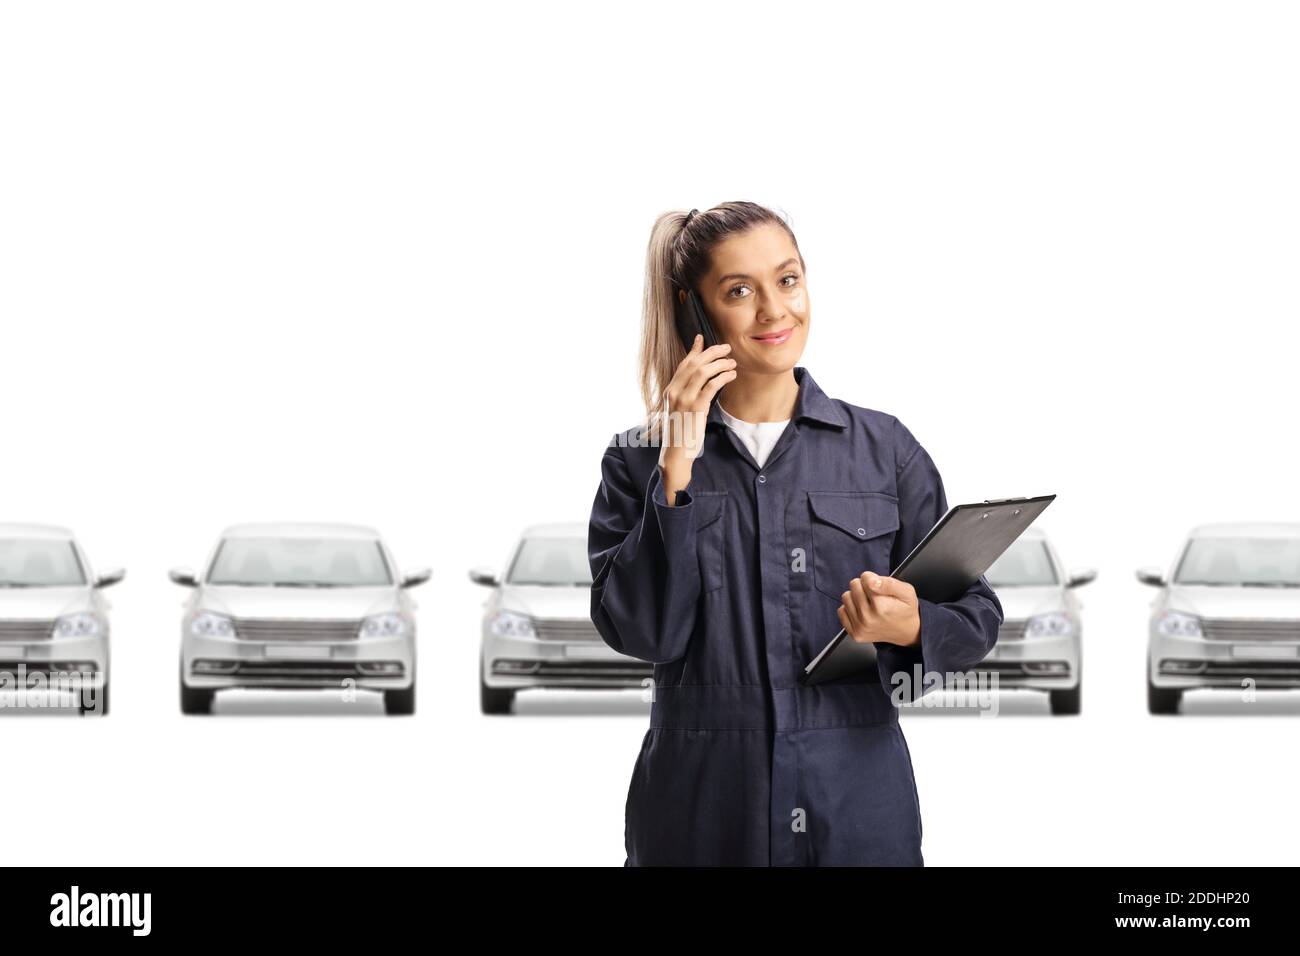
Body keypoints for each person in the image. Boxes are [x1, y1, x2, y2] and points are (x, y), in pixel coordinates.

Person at [587, 201, 1004, 866]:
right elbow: (643, 633)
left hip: (857, 809)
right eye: (739, 291)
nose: (776, 312)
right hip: (701, 815)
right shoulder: (638, 459)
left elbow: (977, 615)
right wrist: (677, 469)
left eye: (788, 280)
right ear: (694, 310)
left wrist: (910, 625)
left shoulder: (884, 450)